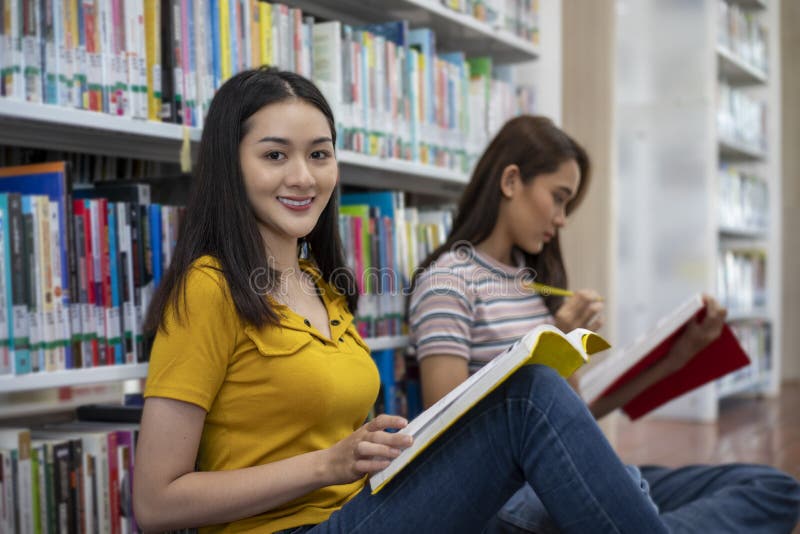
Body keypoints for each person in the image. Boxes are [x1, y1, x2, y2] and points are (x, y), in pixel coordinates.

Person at [133, 67, 686, 534]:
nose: (303, 176)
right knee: (528, 399)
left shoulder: (324, 287)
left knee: (677, 486)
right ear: (232, 165)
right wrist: (328, 463)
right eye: (275, 155)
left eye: (320, 154)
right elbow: (156, 503)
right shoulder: (209, 287)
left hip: (368, 506)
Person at [408, 115, 800, 533]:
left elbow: (572, 416)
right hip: (506, 496)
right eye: (559, 198)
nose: (562, 219)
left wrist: (677, 356)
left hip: (561, 477)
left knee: (773, 487)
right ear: (510, 182)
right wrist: (551, 341)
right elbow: (444, 424)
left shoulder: (531, 282)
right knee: (630, 489)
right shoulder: (448, 281)